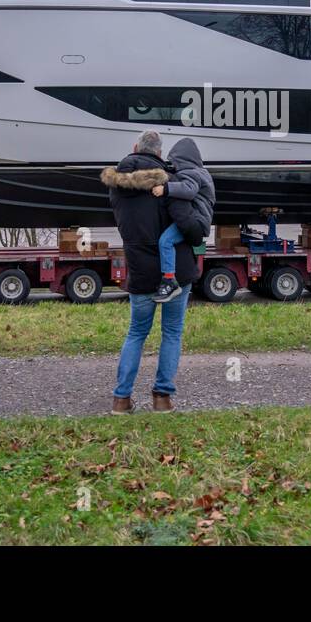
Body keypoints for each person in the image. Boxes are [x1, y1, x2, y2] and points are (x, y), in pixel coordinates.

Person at [100, 130, 209, 414]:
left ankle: (121, 400)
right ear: (159, 154)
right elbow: (191, 228)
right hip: (175, 275)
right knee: (171, 334)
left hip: (139, 272)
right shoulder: (169, 181)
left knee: (136, 333)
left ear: (135, 147)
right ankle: (162, 398)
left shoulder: (116, 186)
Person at [149, 138, 215, 302]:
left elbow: (189, 190)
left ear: (183, 160)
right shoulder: (202, 172)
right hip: (200, 219)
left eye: (174, 162)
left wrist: (165, 189)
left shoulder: (191, 173)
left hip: (196, 219)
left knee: (165, 241)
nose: (173, 165)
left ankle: (169, 280)